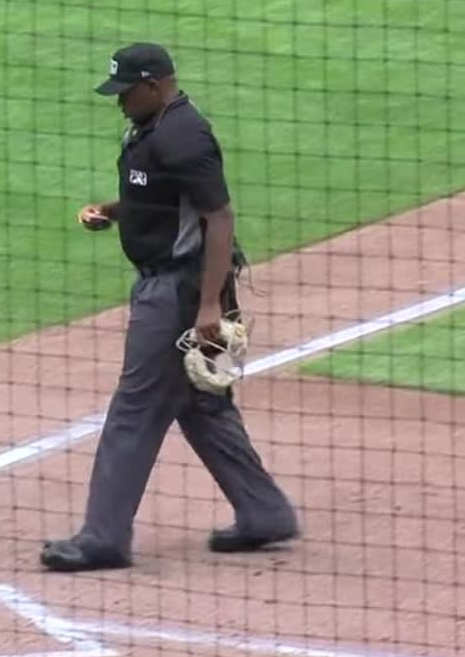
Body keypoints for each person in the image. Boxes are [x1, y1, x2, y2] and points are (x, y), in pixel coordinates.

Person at [40, 43, 299, 572]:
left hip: (180, 294)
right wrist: (111, 213)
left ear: (155, 84)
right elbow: (158, 199)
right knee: (204, 405)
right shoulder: (151, 127)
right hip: (176, 287)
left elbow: (219, 218)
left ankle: (103, 538)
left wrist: (207, 307)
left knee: (134, 409)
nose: (119, 102)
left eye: (126, 92)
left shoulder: (184, 136)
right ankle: (264, 513)